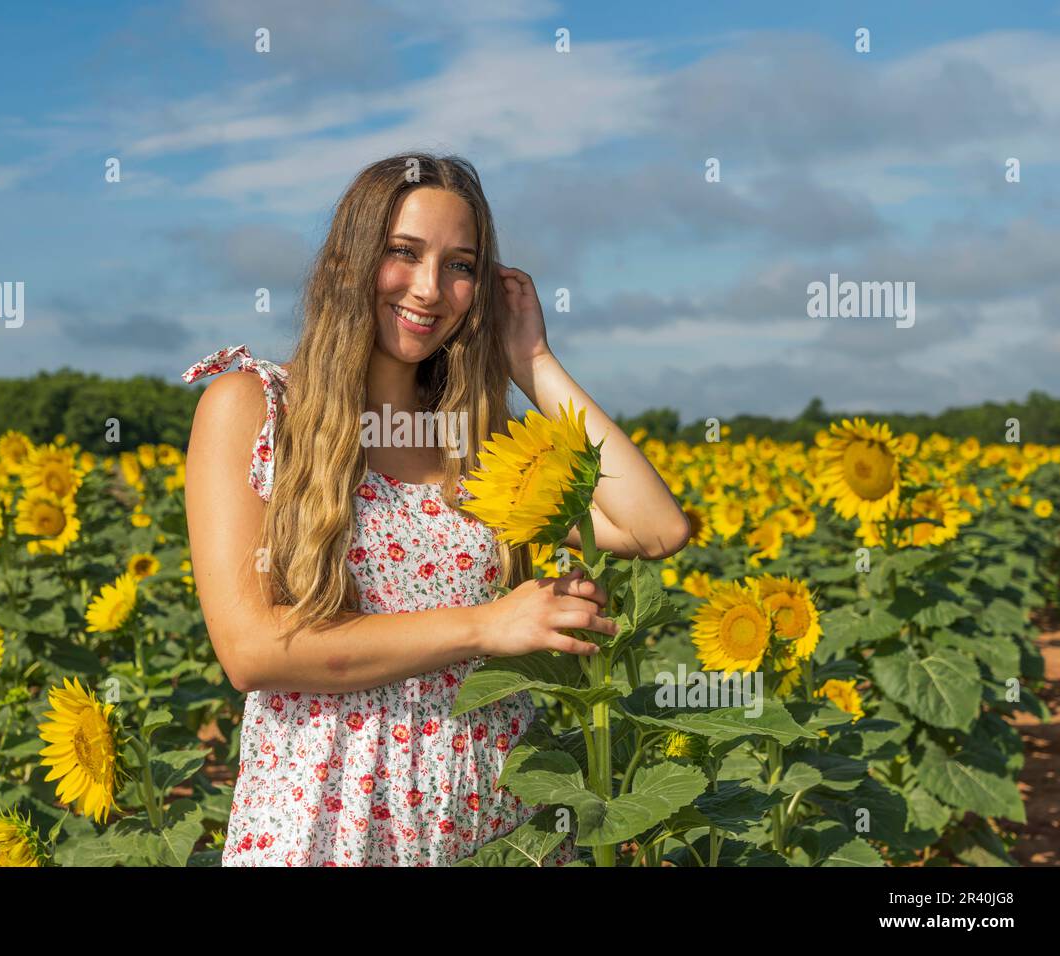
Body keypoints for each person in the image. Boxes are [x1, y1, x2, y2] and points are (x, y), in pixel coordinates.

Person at [182, 153, 691, 866]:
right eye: (404, 252)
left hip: (494, 824)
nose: (430, 289)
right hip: (332, 827)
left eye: (459, 266)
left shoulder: (473, 451)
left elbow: (654, 527)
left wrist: (534, 359)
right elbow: (253, 650)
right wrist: (489, 624)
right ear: (349, 260)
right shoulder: (255, 409)